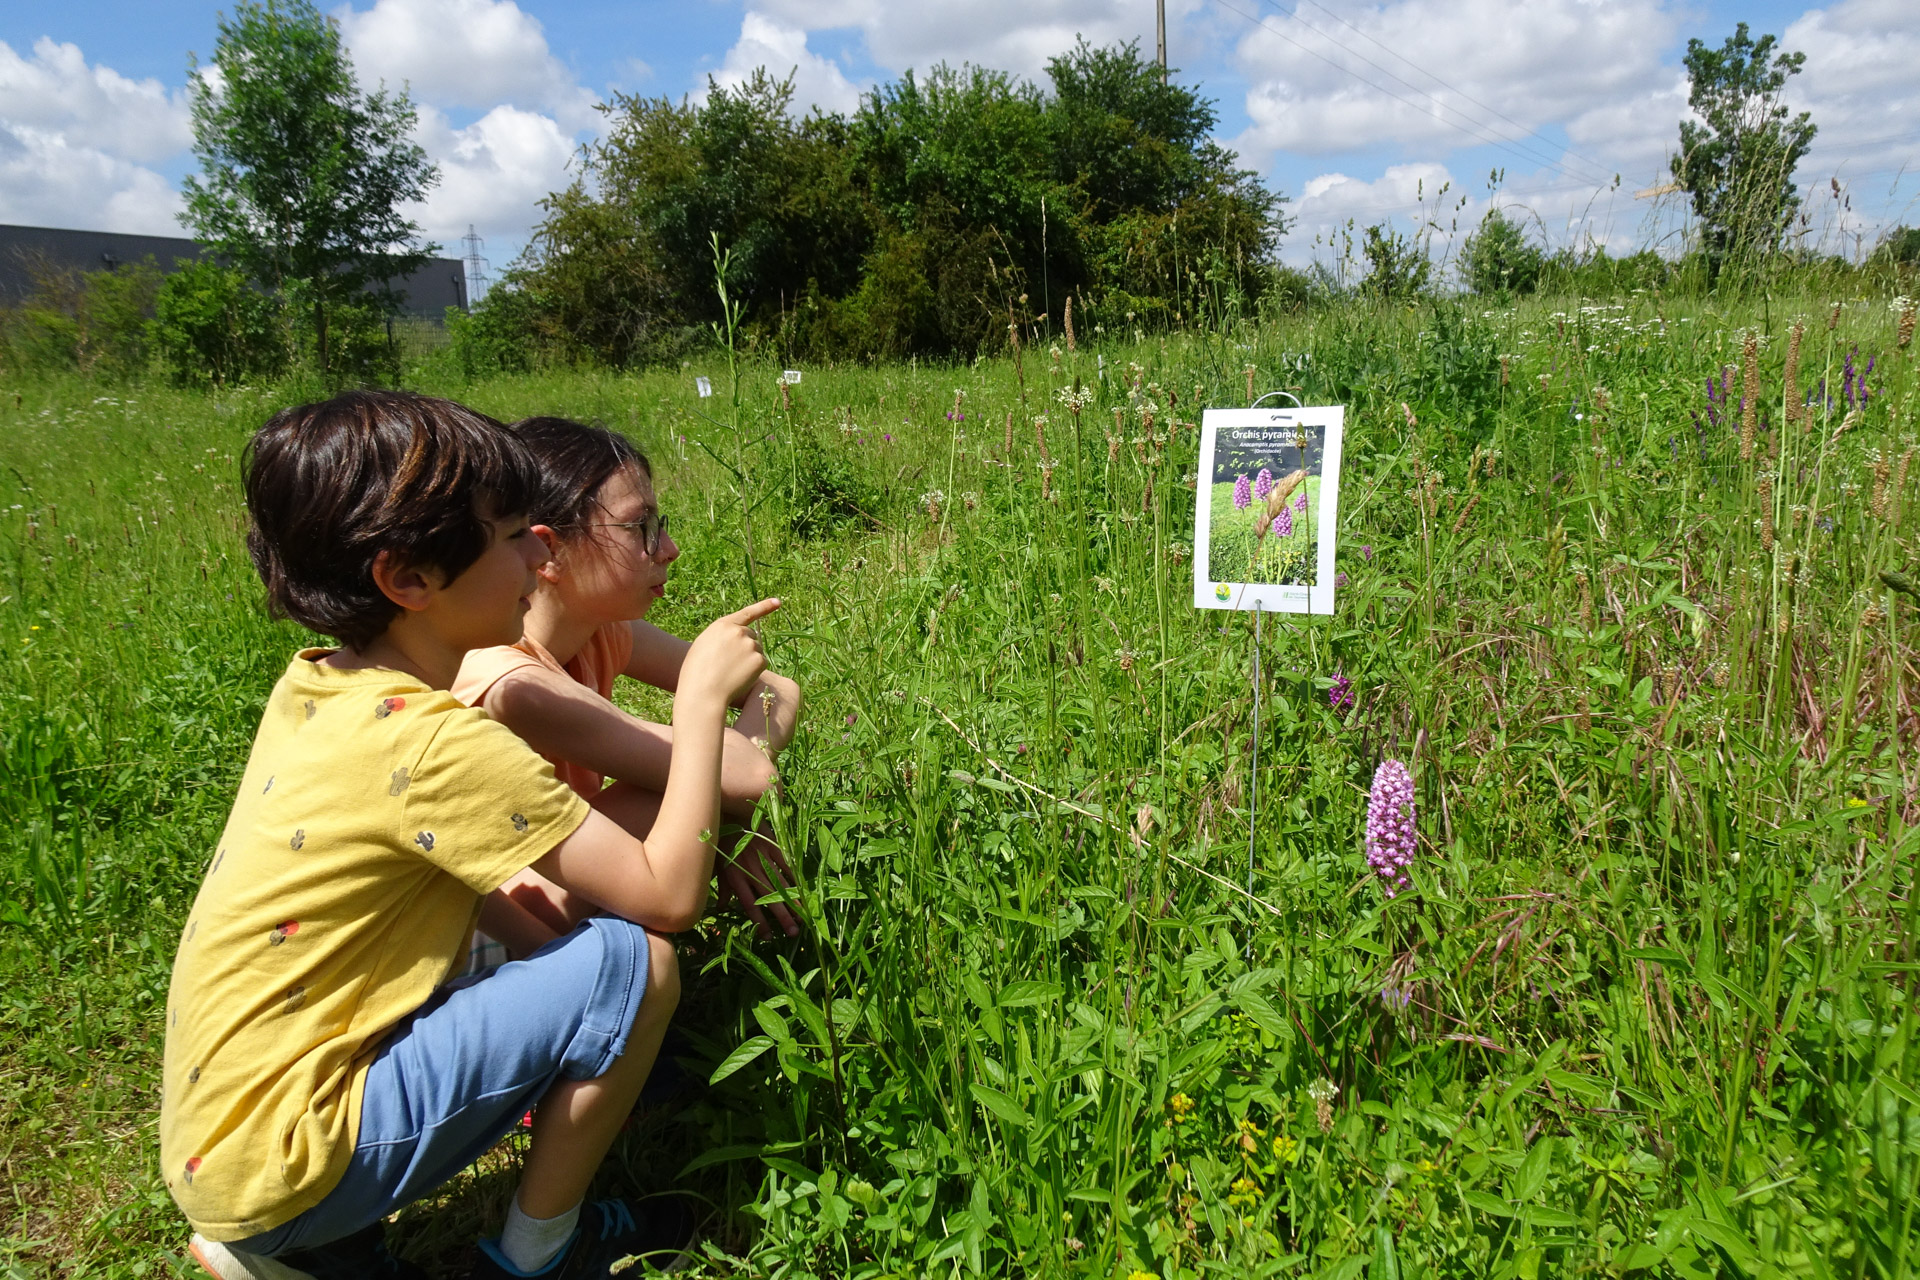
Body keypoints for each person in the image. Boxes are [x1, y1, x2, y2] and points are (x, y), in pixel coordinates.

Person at [163, 391, 778, 1280]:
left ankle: (309, 1243)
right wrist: (697, 704)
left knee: (571, 958)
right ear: (407, 579)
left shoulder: (321, 687)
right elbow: (670, 898)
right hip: (282, 1159)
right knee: (632, 968)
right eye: (510, 535)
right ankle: (536, 1258)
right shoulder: (433, 740)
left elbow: (474, 893)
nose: (541, 550)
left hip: (222, 1136)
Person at [453, 416, 802, 954]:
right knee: (659, 794)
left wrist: (736, 811)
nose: (669, 548)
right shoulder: (513, 685)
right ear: (549, 552)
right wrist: (709, 724)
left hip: (569, 881)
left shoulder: (599, 631)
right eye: (640, 528)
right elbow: (749, 770)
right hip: (481, 934)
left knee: (685, 787)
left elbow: (777, 689)